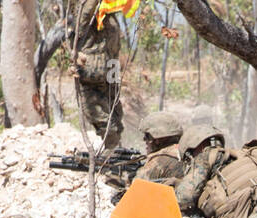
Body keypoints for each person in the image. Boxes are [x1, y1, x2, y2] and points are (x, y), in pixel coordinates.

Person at [66, 0, 123, 149]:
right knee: (113, 102)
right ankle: (116, 146)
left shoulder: (87, 13)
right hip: (112, 64)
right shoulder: (109, 13)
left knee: (93, 109)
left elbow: (84, 14)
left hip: (95, 67)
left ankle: (112, 147)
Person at [134, 112, 183, 185]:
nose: (144, 139)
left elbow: (135, 187)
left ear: (159, 138)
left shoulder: (159, 160)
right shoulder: (183, 151)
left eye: (147, 136)